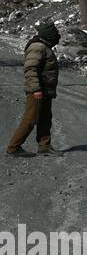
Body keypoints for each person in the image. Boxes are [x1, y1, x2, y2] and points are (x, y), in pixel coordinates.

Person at [7, 21, 61, 156]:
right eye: (55, 34)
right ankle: (13, 148)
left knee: (45, 117)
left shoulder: (44, 46)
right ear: (49, 35)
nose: (57, 36)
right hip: (37, 90)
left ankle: (44, 146)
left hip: (45, 89)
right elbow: (31, 69)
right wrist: (35, 89)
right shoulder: (37, 47)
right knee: (30, 119)